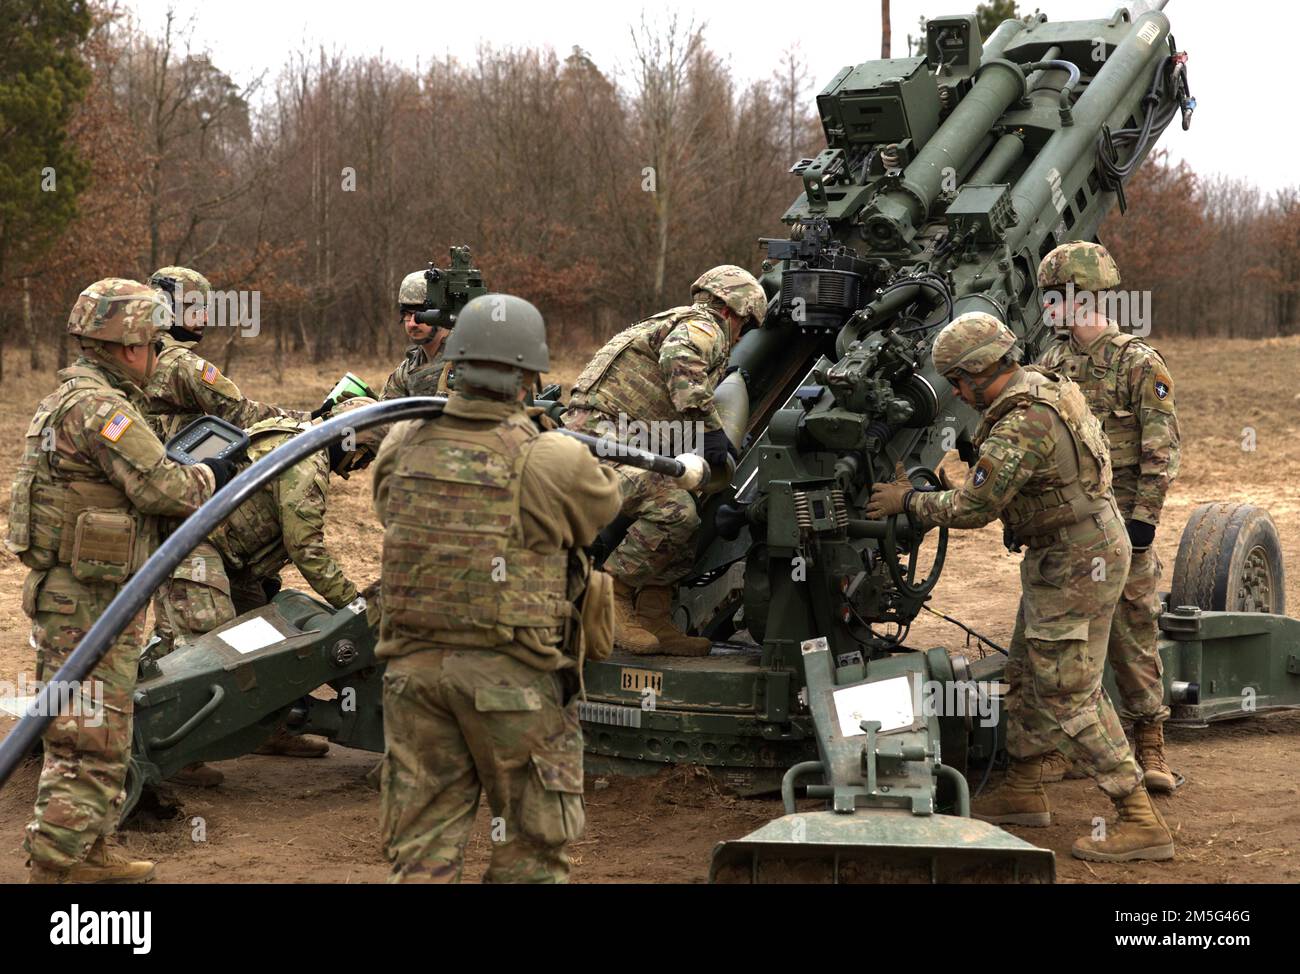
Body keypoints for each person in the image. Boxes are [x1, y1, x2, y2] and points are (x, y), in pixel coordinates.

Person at [867, 312, 1174, 863]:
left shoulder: (1024, 419)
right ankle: (1024, 790)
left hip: (1078, 557)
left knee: (1068, 689)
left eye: (959, 381)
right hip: (1063, 549)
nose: (958, 392)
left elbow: (973, 508)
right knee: (1027, 669)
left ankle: (1136, 815)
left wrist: (907, 501)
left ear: (984, 371)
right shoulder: (1042, 382)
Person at [373, 293, 621, 882]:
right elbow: (601, 509)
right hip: (511, 677)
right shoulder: (550, 456)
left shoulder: (402, 441)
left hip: (414, 676)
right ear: (528, 377)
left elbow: (390, 512)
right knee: (533, 849)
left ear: (453, 364)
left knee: (421, 850)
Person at [6, 279, 222, 883]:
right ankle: (54, 866)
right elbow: (165, 488)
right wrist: (211, 471)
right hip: (90, 604)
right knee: (88, 738)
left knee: (100, 727)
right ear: (128, 347)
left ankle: (92, 850)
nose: (156, 355)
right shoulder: (100, 409)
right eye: (152, 343)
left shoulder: (69, 400)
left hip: (93, 598)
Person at [158, 396, 389, 777]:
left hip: (231, 556)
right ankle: (180, 754)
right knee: (204, 649)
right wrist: (354, 606)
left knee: (267, 647)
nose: (360, 468)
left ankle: (268, 729)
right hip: (197, 546)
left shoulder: (290, 432)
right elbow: (306, 548)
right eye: (365, 457)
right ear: (352, 445)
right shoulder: (309, 465)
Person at [1036, 241, 1181, 793]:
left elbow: (1162, 447)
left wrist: (1144, 521)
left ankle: (1151, 742)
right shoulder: (1051, 362)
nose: (1051, 305)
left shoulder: (1138, 363)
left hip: (1124, 524)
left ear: (1086, 297)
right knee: (1072, 633)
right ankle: (1085, 743)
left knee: (1132, 630)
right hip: (1071, 527)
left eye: (1060, 295)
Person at [561, 265, 766, 655]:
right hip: (600, 445)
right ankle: (609, 596)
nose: (741, 336)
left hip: (604, 439)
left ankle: (654, 613)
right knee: (676, 511)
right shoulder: (704, 326)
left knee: (685, 501)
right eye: (745, 326)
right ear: (732, 312)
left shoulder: (673, 318)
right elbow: (679, 356)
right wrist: (708, 428)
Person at [381, 270, 453, 399]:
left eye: (421, 314)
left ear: (443, 314)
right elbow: (389, 410)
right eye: (407, 314)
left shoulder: (465, 359)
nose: (412, 324)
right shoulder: (409, 368)